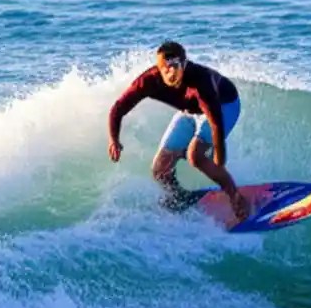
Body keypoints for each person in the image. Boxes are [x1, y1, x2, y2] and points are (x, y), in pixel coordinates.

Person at [107, 40, 251, 221]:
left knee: (195, 155)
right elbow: (118, 108)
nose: (171, 72)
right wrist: (114, 139)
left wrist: (217, 156)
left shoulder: (201, 82)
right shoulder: (149, 81)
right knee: (160, 168)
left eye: (175, 65)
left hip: (224, 105)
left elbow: (215, 124)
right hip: (190, 111)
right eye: (165, 67)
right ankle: (178, 196)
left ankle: (236, 197)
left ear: (184, 63)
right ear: (158, 67)